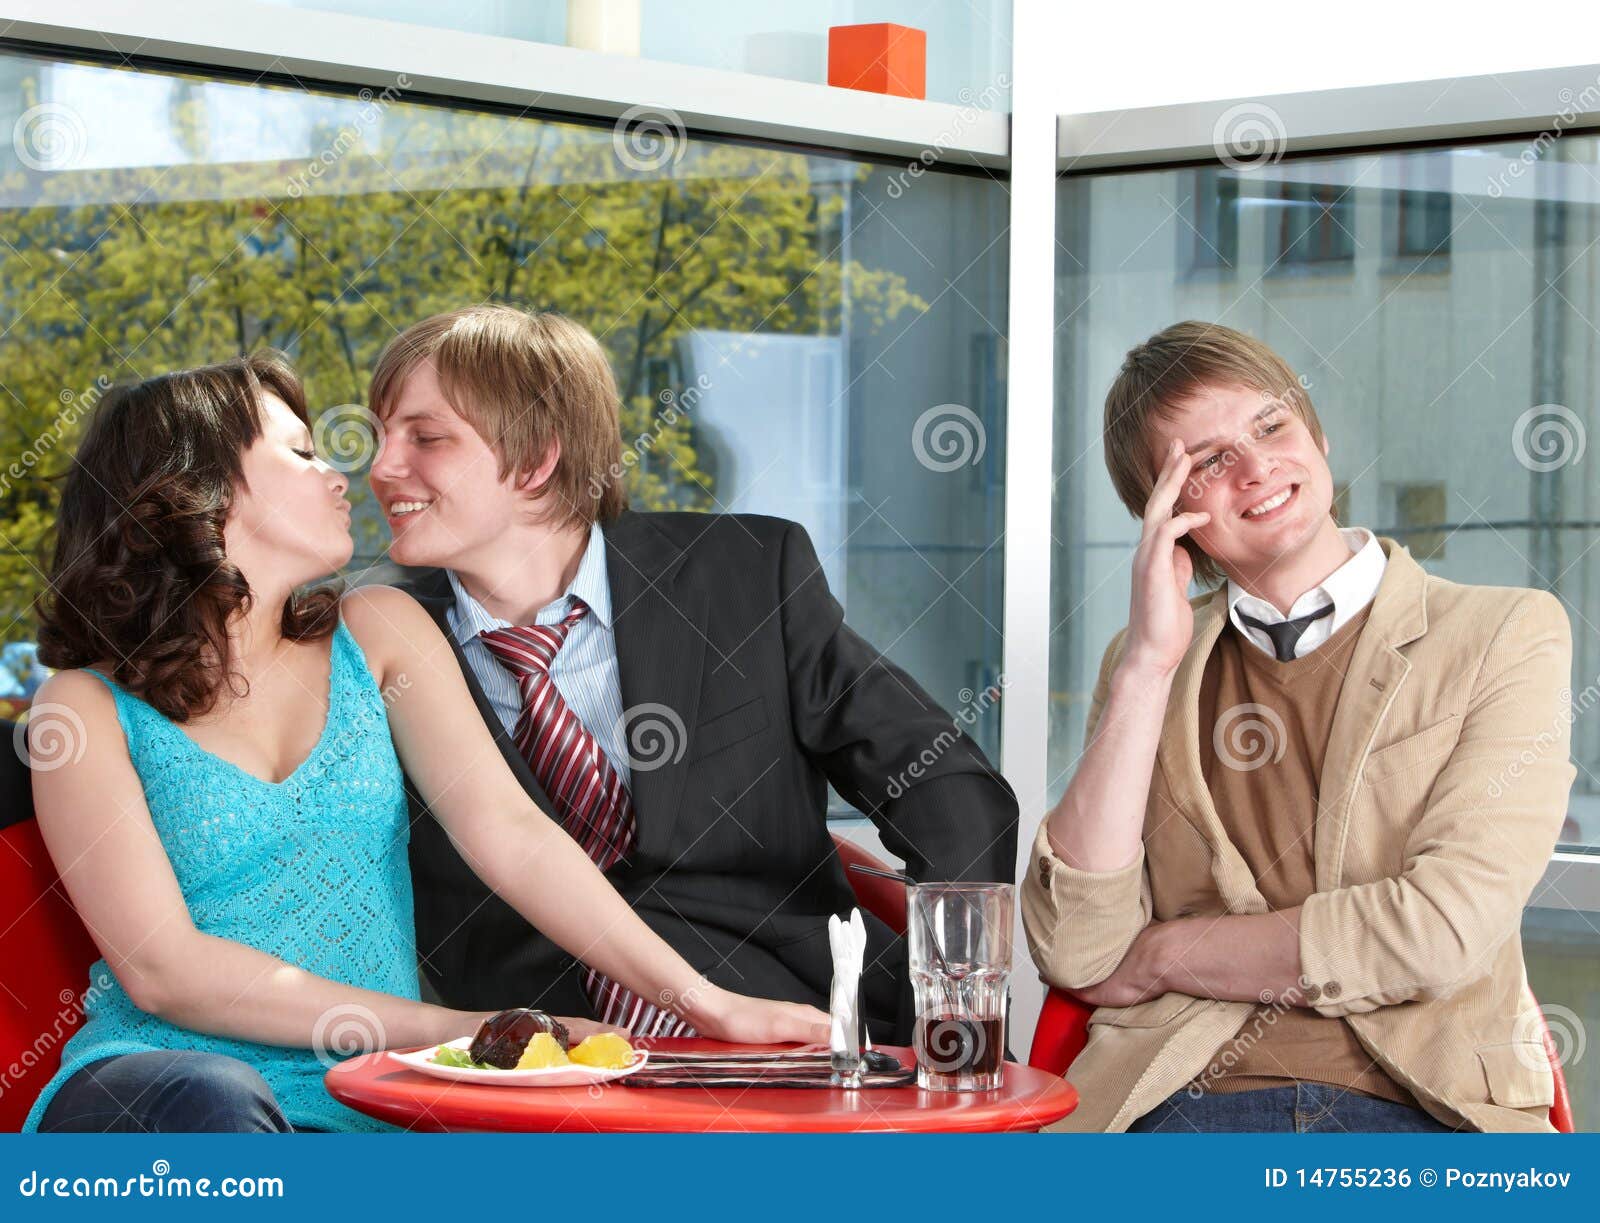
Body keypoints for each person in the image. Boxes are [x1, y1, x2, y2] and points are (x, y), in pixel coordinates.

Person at [23, 353, 827, 1133]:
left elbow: (510, 835)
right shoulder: (84, 710)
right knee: (216, 1100)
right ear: (194, 491)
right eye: (299, 453)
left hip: (366, 1099)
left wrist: (706, 1002)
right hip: (158, 1092)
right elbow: (165, 971)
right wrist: (454, 1031)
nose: (343, 475)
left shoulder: (377, 633)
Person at [367, 305, 1018, 1043]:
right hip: (538, 1061)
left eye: (425, 437)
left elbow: (945, 784)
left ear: (536, 459)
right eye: (382, 434)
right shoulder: (377, 644)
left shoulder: (741, 577)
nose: (381, 466)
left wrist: (956, 1009)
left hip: (786, 1023)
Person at [1022, 321, 1573, 1133]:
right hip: (1177, 1101)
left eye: (1271, 426)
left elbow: (1440, 929)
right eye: (1208, 460)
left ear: (1316, 433)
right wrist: (1147, 667)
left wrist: (1169, 952)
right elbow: (1079, 949)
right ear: (1164, 513)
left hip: (1424, 1109)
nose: (1256, 466)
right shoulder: (1145, 664)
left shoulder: (1504, 634)